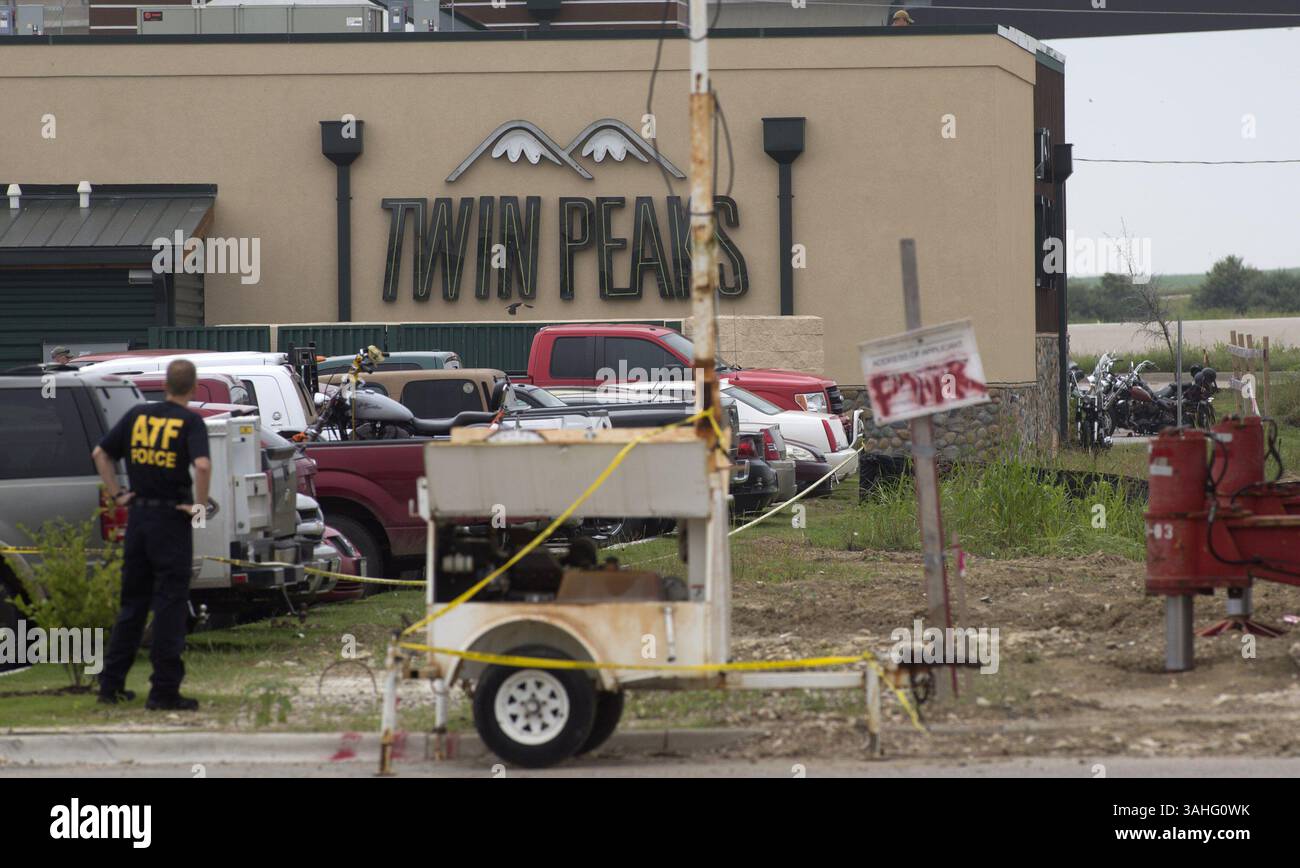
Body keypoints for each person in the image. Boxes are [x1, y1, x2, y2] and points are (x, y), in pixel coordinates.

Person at [92, 359, 211, 710]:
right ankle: (163, 691)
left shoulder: (137, 415)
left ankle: (109, 686)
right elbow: (202, 466)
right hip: (171, 520)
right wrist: (199, 509)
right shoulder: (189, 421)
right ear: (193, 387)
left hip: (139, 517)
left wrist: (117, 495)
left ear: (166, 386)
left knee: (132, 605)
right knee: (170, 604)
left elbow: (101, 454)